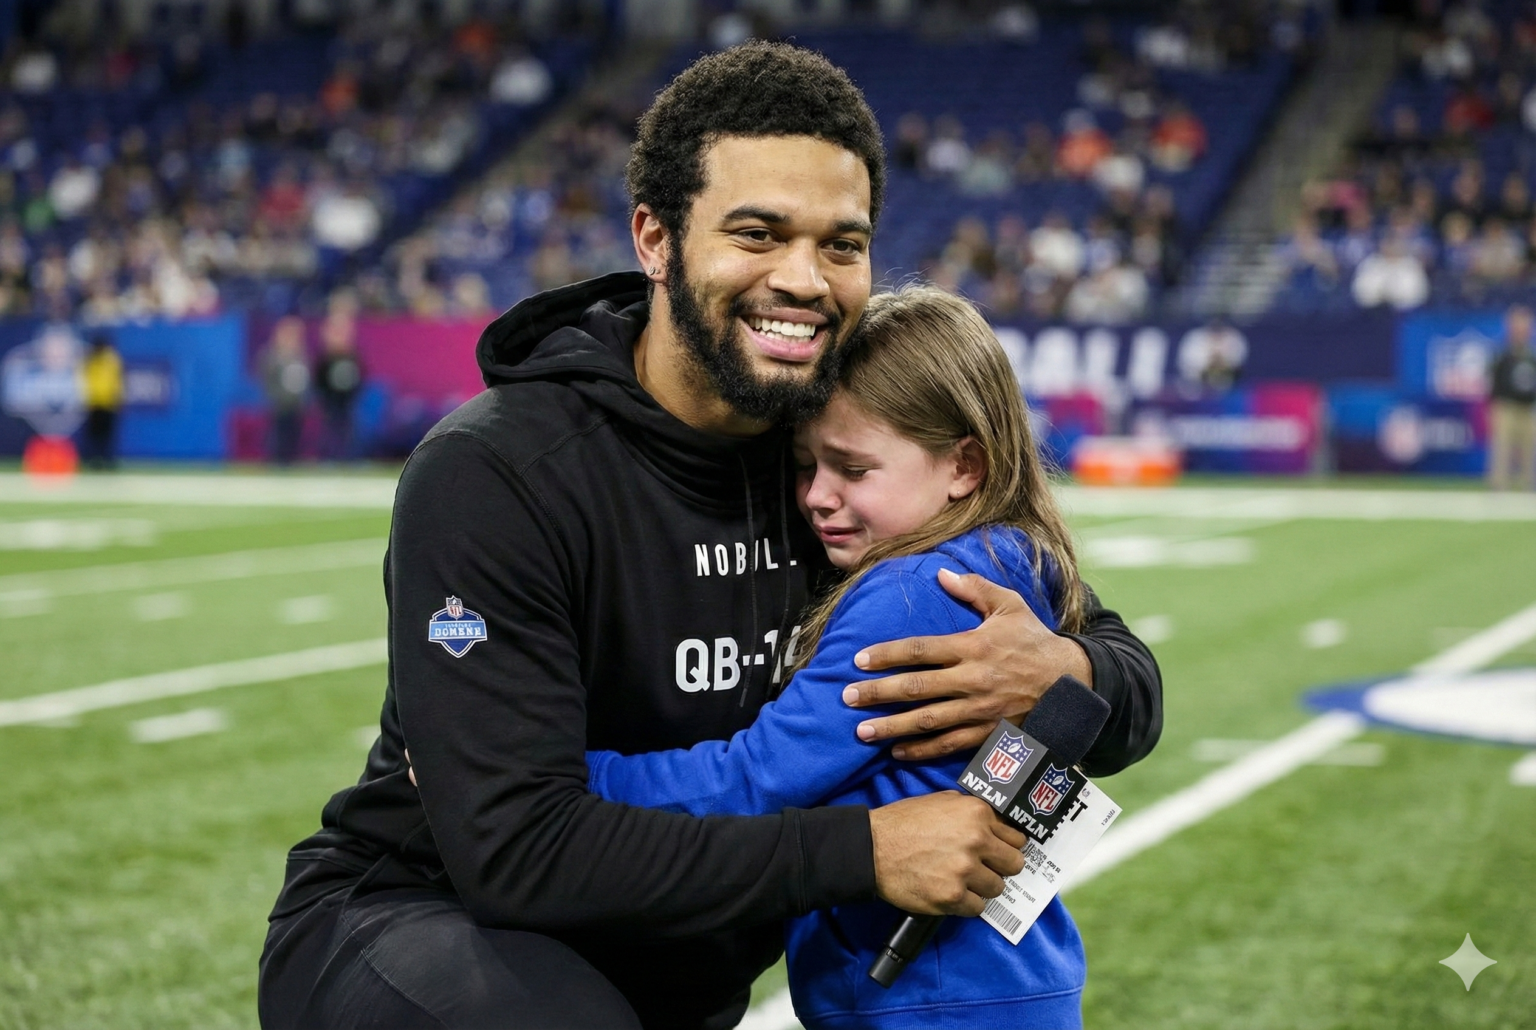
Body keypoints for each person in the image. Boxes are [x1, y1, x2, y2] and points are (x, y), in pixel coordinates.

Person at [259, 42, 1161, 1030]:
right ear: (655, 238)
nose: (805, 278)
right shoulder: (500, 471)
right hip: (423, 922)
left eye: (842, 244)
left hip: (662, 963)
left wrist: (1061, 671)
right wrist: (865, 850)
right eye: (759, 233)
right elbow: (518, 853)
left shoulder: (837, 464)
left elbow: (1124, 680)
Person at [588, 286, 1099, 1028]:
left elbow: (758, 777)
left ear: (965, 466)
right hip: (988, 985)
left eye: (853, 470)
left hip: (936, 1000)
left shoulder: (917, 594)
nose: (818, 497)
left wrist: (566, 778)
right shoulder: (1004, 556)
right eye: (805, 465)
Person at [1487, 304, 1536, 490]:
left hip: (1527, 407)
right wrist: (1493, 407)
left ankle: (1528, 485)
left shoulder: (1531, 355)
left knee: (1528, 449)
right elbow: (1493, 381)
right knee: (1502, 448)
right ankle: (1499, 486)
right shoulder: (1502, 353)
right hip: (1506, 406)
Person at [261, 316, 310, 465]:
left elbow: (304, 378)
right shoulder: (272, 356)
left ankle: (292, 459)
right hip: (279, 403)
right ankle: (277, 460)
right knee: (278, 433)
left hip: (296, 402)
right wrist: (276, 396)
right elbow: (268, 379)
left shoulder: (300, 355)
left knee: (294, 434)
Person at [79, 333, 123, 470]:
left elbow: (117, 380)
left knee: (107, 435)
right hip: (94, 403)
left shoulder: (111, 360)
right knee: (94, 435)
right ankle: (94, 460)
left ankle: (107, 460)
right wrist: (88, 398)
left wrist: (117, 398)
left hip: (108, 403)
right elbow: (85, 380)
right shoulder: (90, 361)